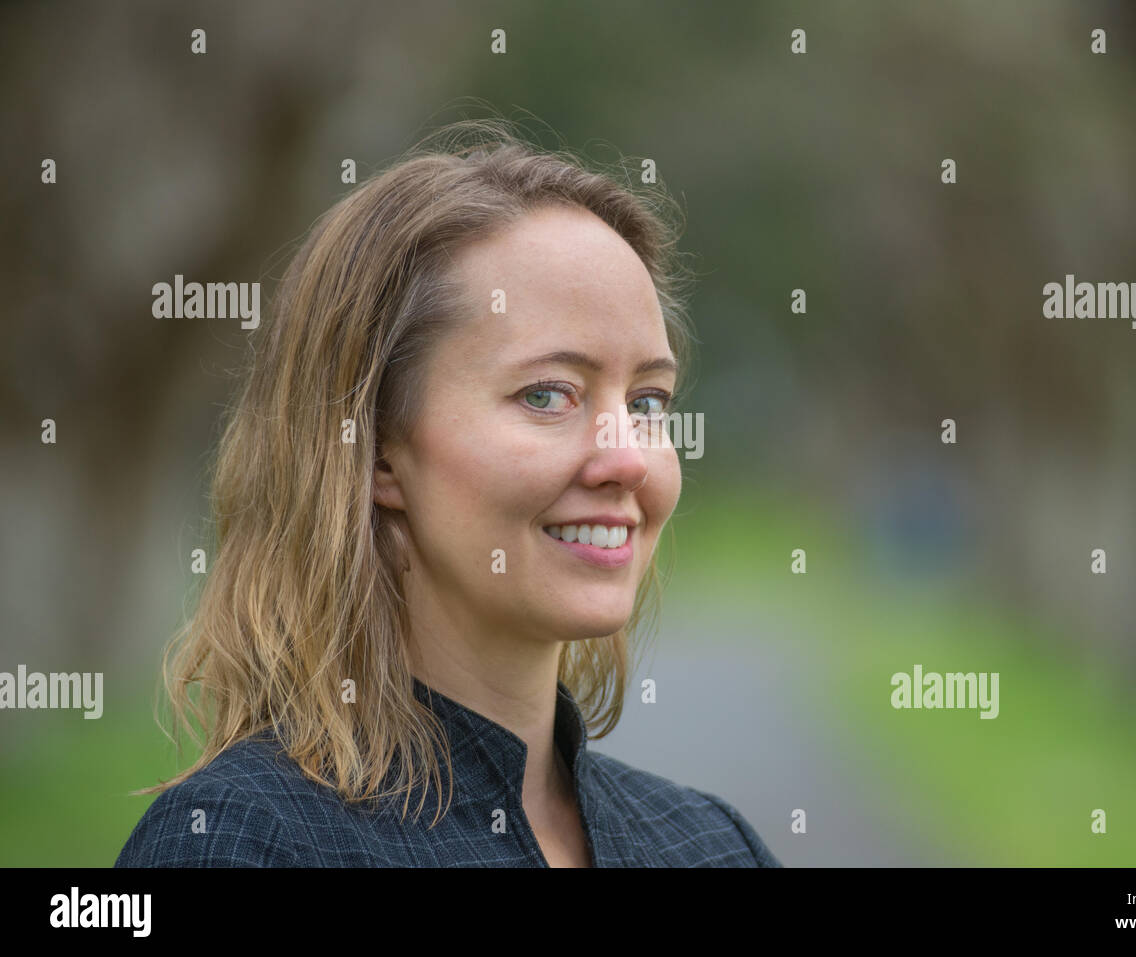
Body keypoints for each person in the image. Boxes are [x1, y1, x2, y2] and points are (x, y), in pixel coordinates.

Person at [114, 119, 782, 867]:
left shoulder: (713, 846)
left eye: (648, 403)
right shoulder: (238, 843)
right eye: (549, 394)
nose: (626, 458)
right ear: (374, 453)